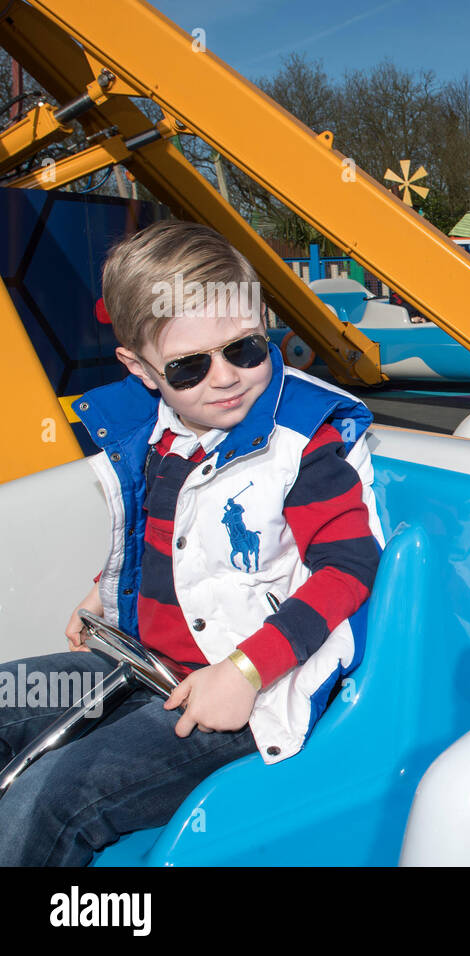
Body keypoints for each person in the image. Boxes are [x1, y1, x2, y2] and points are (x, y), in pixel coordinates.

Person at [0, 221, 384, 865]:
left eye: (245, 348)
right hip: (143, 667)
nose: (226, 377)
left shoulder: (301, 447)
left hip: (245, 692)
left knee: (51, 797)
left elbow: (349, 567)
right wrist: (102, 593)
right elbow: (168, 537)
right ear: (141, 369)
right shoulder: (157, 433)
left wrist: (245, 671)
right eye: (188, 366)